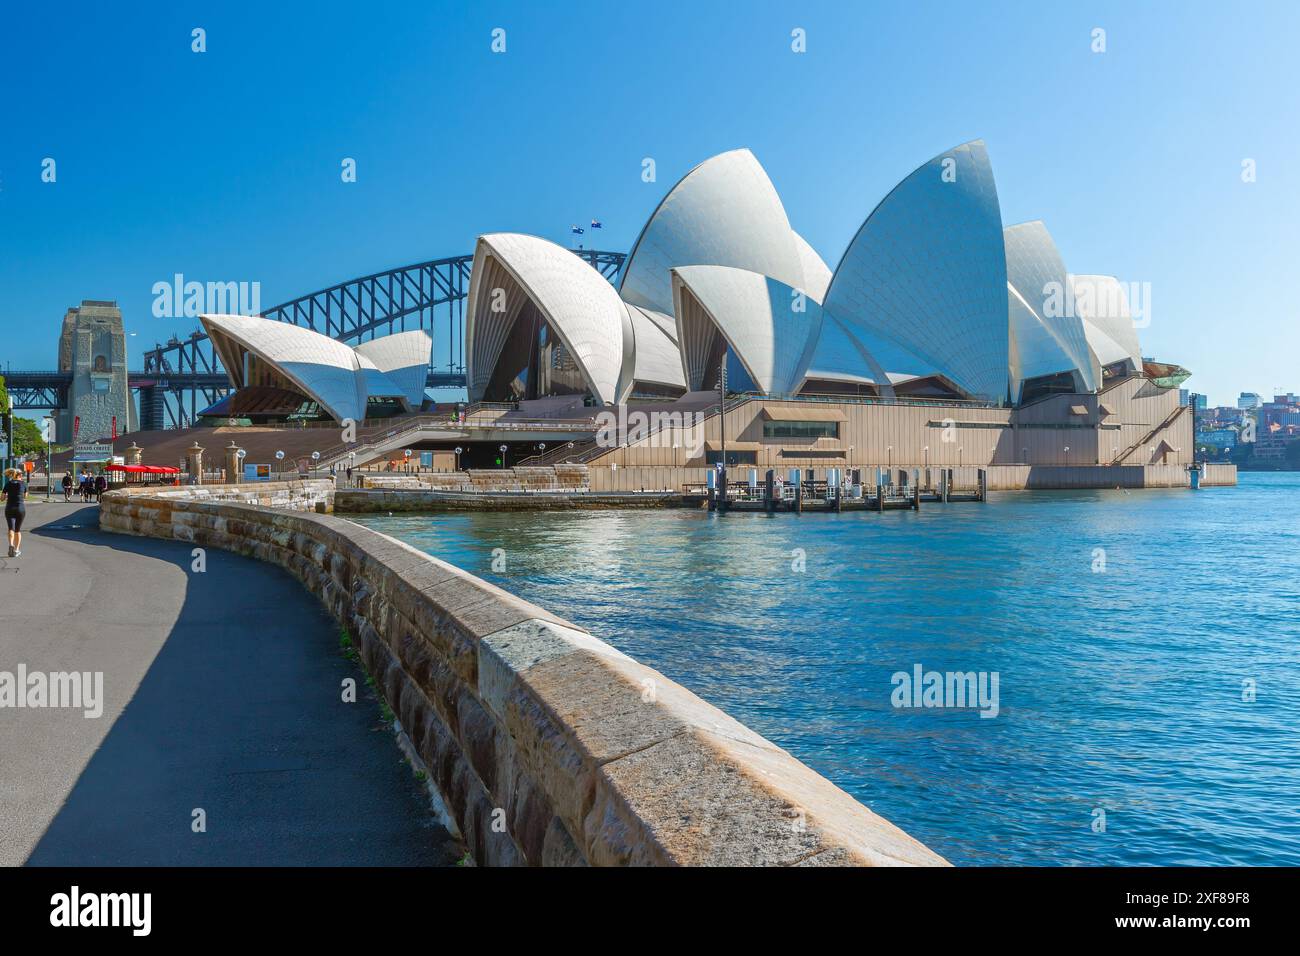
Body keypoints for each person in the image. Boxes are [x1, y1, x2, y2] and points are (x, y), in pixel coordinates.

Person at [4, 467, 26, 558]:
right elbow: (25, 496)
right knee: (17, 530)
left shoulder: (8, 484)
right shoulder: (23, 484)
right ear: (20, 475)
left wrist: (5, 497)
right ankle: (16, 550)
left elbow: (2, 497)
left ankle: (11, 545)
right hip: (20, 508)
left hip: (9, 508)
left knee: (11, 528)